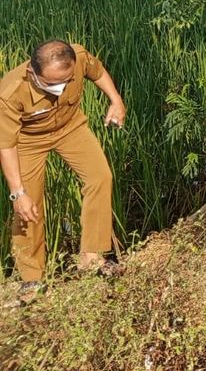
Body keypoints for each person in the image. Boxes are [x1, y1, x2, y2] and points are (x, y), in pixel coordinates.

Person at [1, 41, 126, 302]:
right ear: (32, 72)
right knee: (28, 204)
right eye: (51, 84)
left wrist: (116, 100)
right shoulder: (11, 93)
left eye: (66, 81)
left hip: (70, 128)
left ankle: (92, 256)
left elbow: (98, 72)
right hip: (28, 140)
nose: (59, 88)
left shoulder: (78, 56)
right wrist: (17, 193)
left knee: (100, 176)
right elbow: (6, 145)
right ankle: (31, 277)